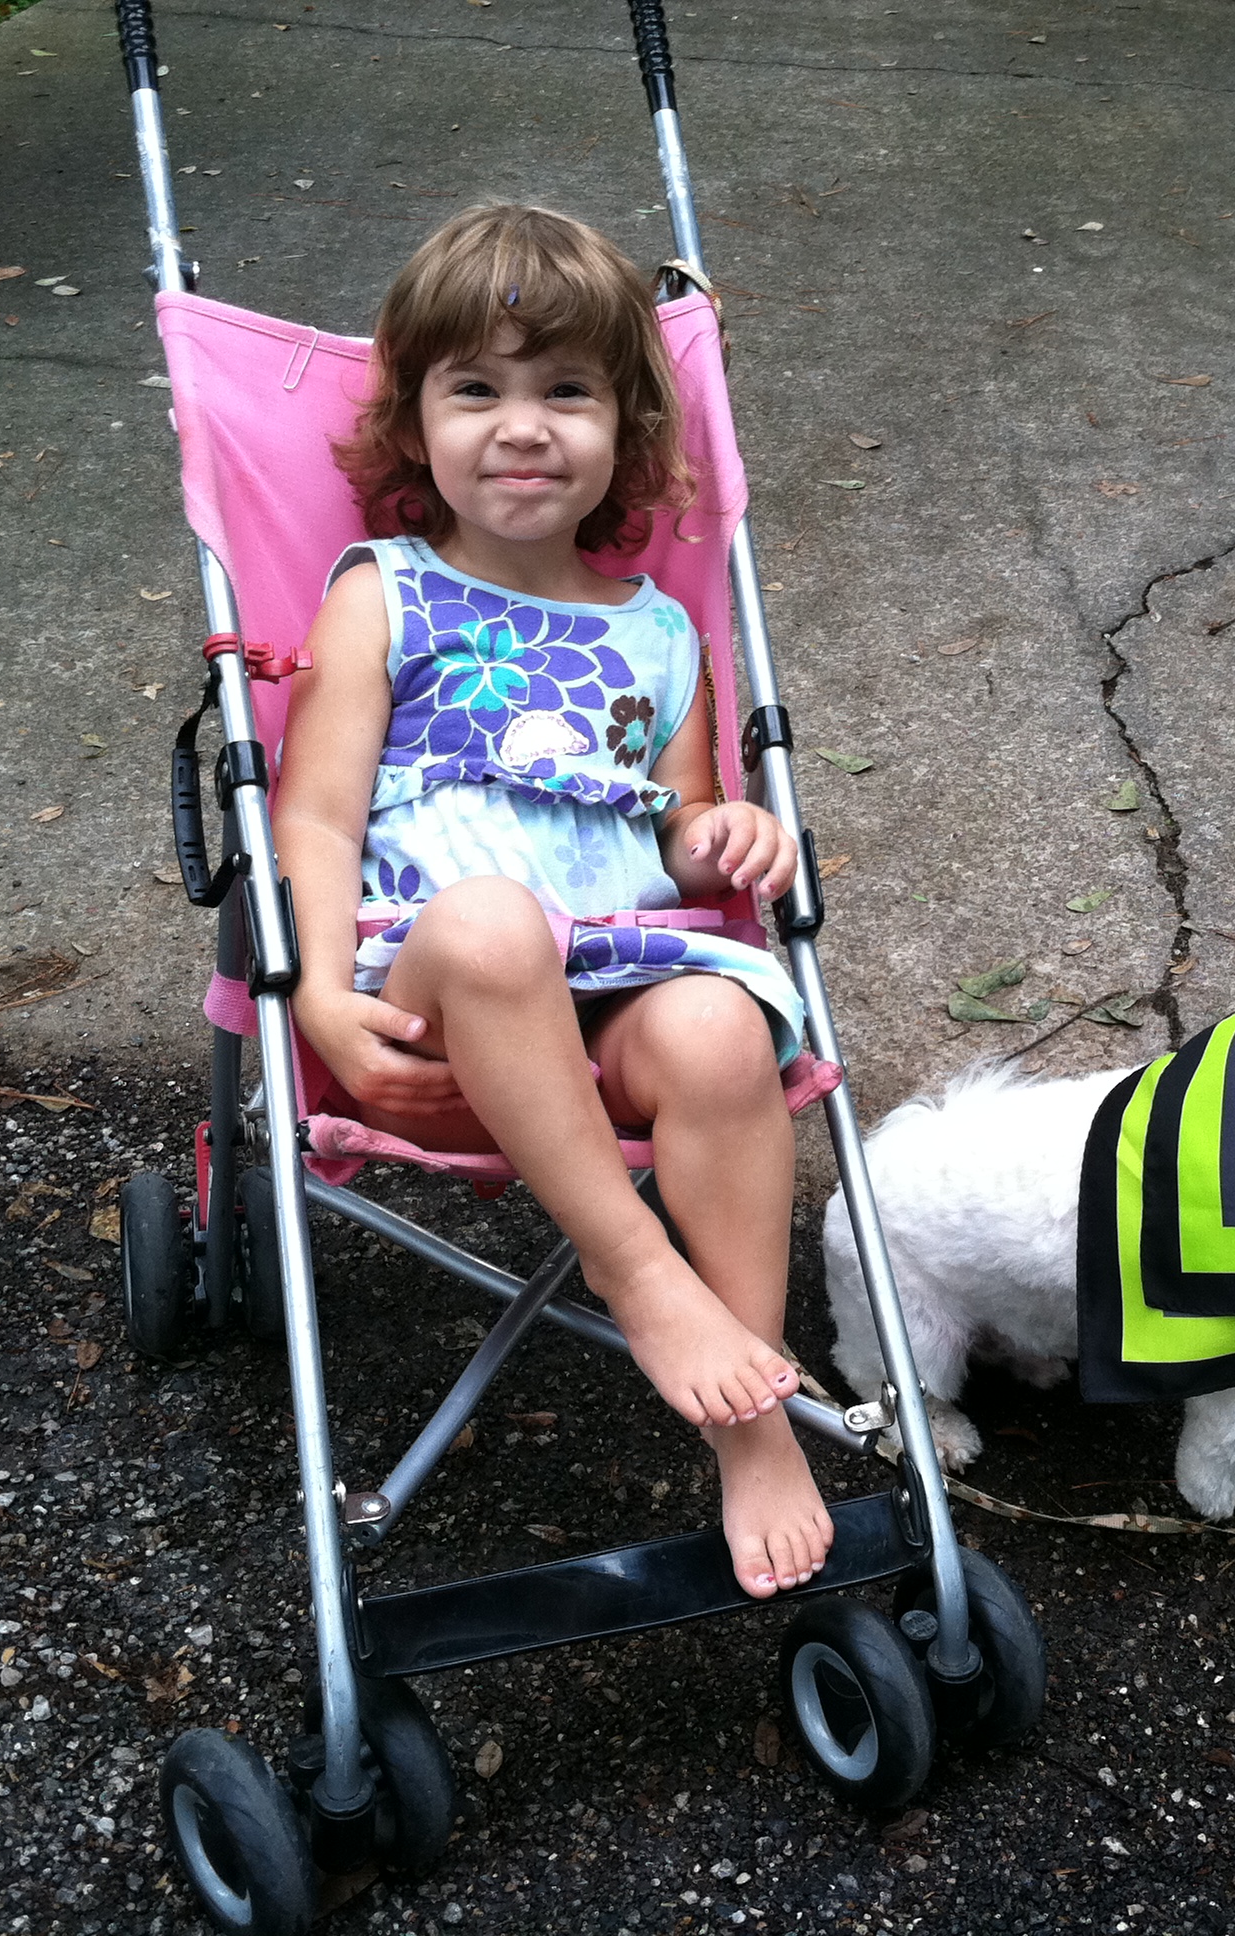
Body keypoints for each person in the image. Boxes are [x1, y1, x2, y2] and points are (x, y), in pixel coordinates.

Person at [275, 203, 832, 1599]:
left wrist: (734, 838)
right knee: (489, 919)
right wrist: (321, 1000)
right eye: (479, 389)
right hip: (440, 1004)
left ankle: (754, 1425)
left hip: (621, 995)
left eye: (565, 390)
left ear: (629, 434)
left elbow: (682, 827)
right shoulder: (382, 595)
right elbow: (320, 812)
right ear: (413, 425)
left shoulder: (659, 629)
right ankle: (645, 1281)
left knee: (717, 1033)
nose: (523, 426)